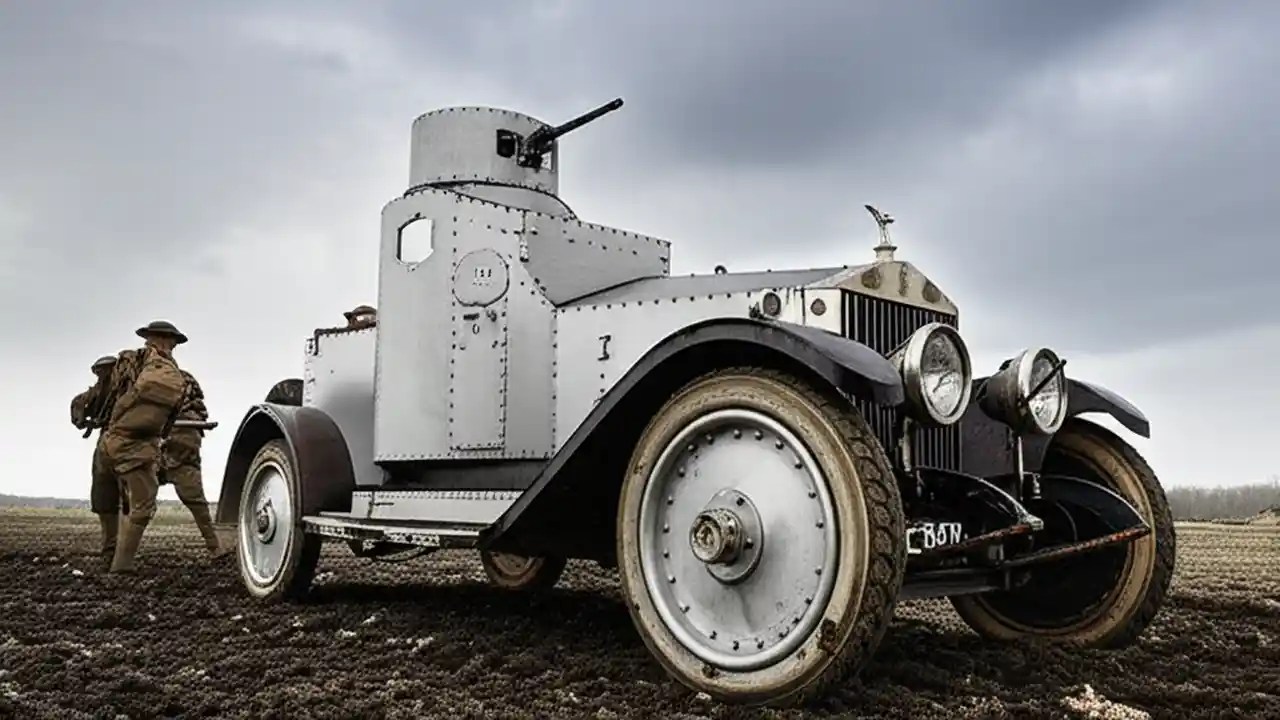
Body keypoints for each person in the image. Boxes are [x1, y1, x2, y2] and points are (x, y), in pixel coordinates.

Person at [103, 320, 190, 574]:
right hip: (135, 445)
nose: (173, 346)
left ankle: (108, 557)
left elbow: (113, 399)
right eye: (172, 341)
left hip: (109, 441)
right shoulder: (166, 371)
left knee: (116, 502)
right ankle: (121, 567)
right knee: (142, 506)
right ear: (164, 341)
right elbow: (166, 415)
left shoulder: (128, 362)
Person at [159, 368, 231, 559]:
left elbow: (195, 410)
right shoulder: (138, 375)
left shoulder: (181, 379)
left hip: (181, 443)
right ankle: (120, 556)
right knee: (133, 501)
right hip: (148, 445)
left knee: (194, 497)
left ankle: (215, 546)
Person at [69, 354, 127, 567]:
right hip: (107, 445)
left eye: (107, 371)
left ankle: (121, 551)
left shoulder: (129, 389)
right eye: (101, 372)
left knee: (129, 500)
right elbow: (80, 403)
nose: (104, 375)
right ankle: (111, 549)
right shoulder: (98, 392)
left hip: (128, 443)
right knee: (104, 497)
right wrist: (80, 415)